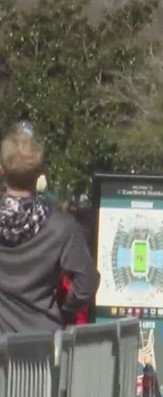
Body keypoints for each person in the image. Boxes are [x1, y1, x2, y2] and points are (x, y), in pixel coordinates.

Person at [0, 129, 98, 333]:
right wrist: (65, 308)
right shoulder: (60, 225)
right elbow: (87, 281)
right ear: (39, 174)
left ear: (1, 170)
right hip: (42, 341)